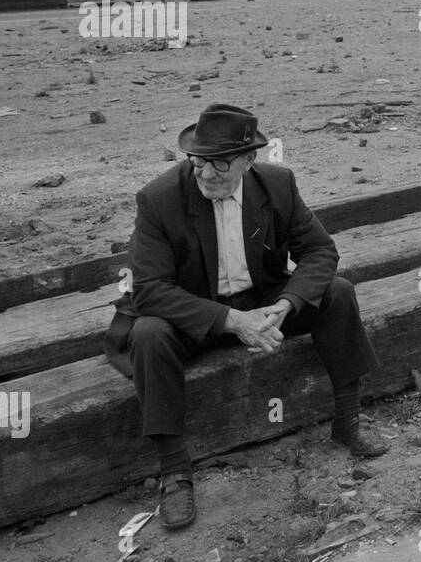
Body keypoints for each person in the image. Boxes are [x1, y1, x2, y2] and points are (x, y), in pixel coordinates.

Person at [104, 104, 388, 529]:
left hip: (261, 303)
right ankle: (176, 471)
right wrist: (233, 321)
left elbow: (320, 251)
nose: (205, 174)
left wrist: (286, 304)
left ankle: (347, 420)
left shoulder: (277, 185)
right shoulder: (159, 199)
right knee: (148, 334)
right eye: (198, 162)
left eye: (219, 164)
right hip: (192, 313)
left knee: (337, 293)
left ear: (248, 160)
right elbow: (150, 290)